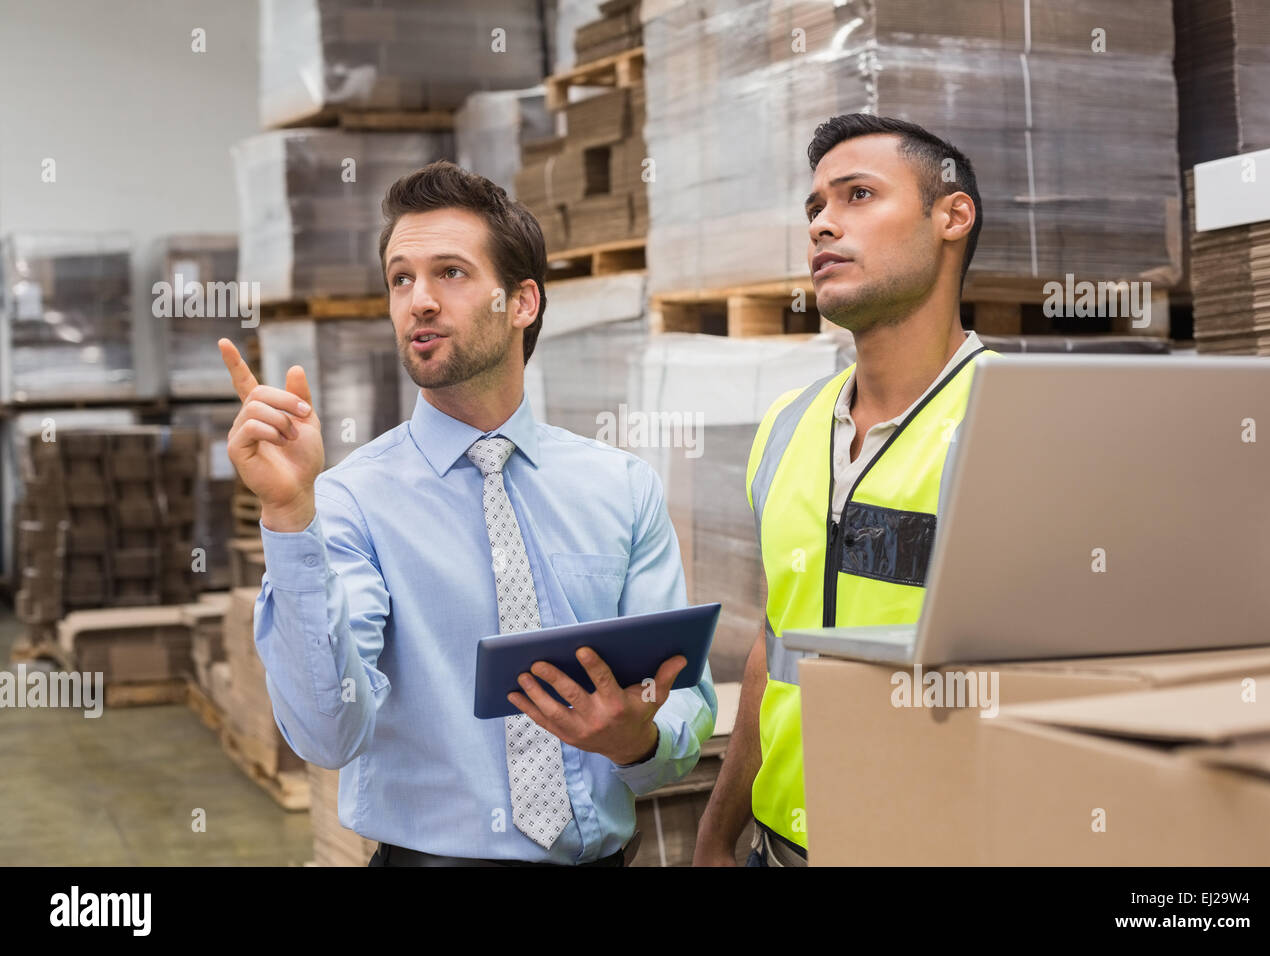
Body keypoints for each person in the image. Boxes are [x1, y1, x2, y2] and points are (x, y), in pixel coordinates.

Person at [219, 160, 716, 867]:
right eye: (400, 278)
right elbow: (328, 735)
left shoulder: (621, 488)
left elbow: (684, 706)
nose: (418, 300)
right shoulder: (350, 500)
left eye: (449, 273)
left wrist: (636, 739)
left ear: (522, 304)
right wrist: (288, 513)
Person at [693, 114, 998, 867]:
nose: (825, 223)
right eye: (815, 208)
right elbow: (775, 645)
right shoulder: (785, 429)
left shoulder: (1018, 422)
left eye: (858, 195)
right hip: (776, 849)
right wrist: (715, 835)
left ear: (951, 215)